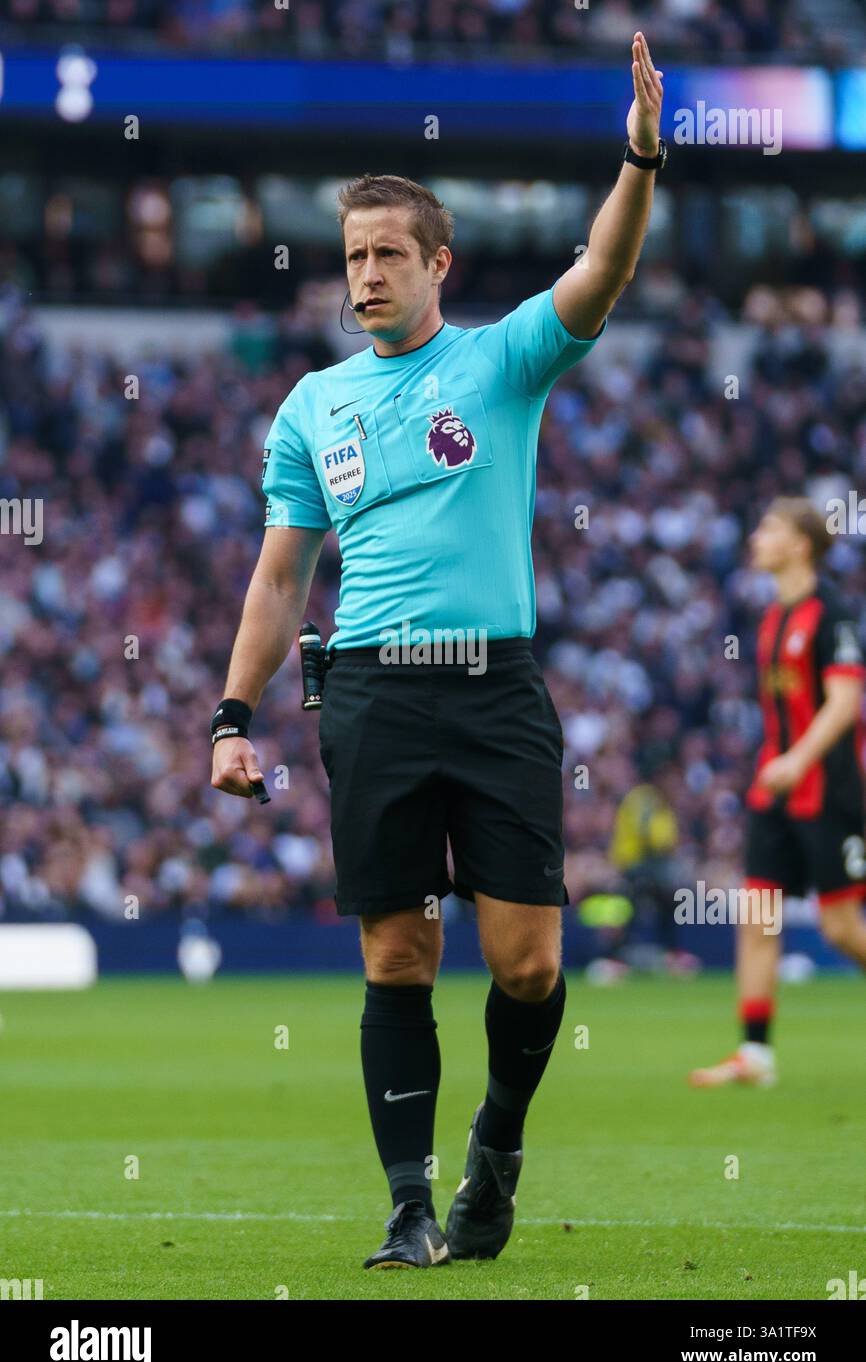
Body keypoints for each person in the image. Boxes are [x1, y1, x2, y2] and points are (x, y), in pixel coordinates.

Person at [212, 33, 665, 1268]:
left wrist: (636, 156)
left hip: (494, 690)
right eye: (351, 255)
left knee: (525, 966)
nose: (363, 275)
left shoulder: (500, 359)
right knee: (396, 952)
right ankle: (410, 1206)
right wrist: (232, 718)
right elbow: (278, 573)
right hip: (366, 696)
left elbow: (603, 271)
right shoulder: (312, 404)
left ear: (436, 265)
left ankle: (497, 1148)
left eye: (386, 255)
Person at [690, 498, 866, 1088]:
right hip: (776, 792)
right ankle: (755, 1054)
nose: (757, 537)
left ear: (800, 543)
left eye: (769, 528)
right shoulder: (771, 619)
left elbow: (845, 704)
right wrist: (778, 765)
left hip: (827, 791)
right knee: (757, 917)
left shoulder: (833, 614)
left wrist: (796, 759)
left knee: (841, 928)